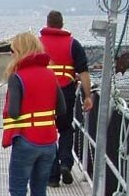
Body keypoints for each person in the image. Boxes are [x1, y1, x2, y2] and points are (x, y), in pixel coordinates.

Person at [3, 31, 66, 196]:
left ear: (18, 51)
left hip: (27, 141)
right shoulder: (50, 75)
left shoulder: (17, 77)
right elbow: (62, 109)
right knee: (39, 193)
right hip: (49, 141)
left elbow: (15, 111)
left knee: (18, 192)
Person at [39, 10, 93, 186]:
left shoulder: (37, 44)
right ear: (62, 24)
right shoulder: (73, 44)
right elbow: (83, 72)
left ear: (47, 24)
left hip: (43, 92)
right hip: (66, 92)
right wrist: (88, 96)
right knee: (65, 129)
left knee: (48, 132)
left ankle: (53, 176)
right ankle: (66, 163)